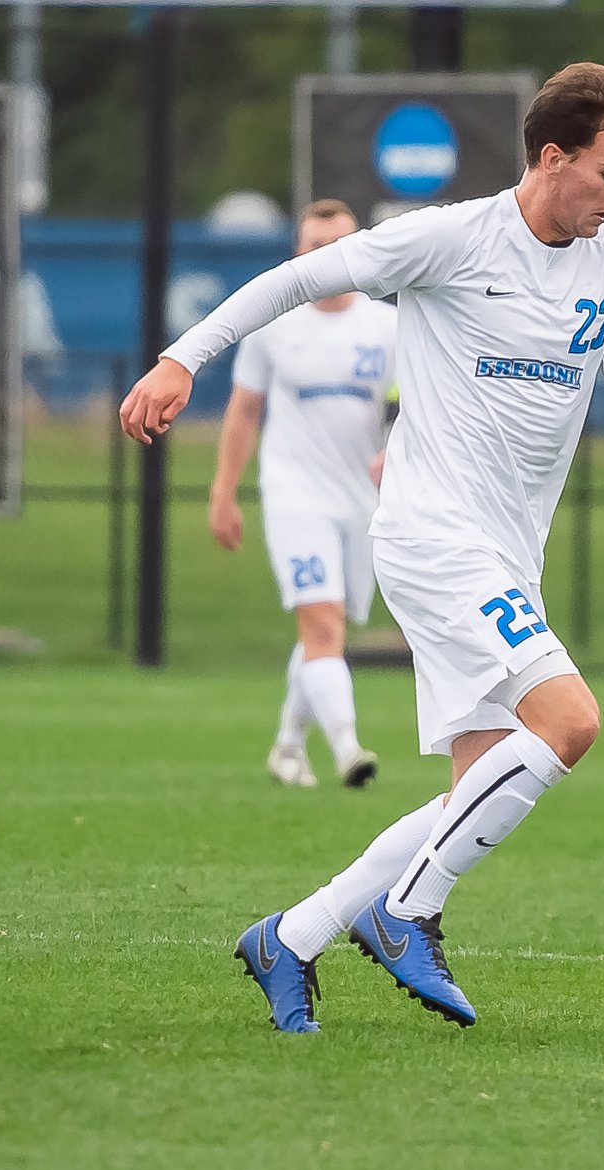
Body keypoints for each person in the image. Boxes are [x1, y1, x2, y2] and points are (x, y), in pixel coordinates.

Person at [122, 62, 604, 1032]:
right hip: (432, 536)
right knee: (571, 722)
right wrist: (179, 360)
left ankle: (290, 935)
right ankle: (406, 908)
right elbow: (299, 278)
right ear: (552, 157)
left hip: (508, 554)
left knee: (475, 790)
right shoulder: (452, 238)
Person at [209, 199, 395, 791]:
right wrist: (223, 493)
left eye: (338, 245)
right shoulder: (275, 325)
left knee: (328, 630)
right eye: (315, 247)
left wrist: (400, 447)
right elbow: (244, 411)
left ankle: (288, 747)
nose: (326, 257)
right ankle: (347, 749)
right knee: (322, 625)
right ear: (297, 253)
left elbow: (419, 404)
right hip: (294, 494)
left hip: (363, 502)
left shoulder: (389, 325)